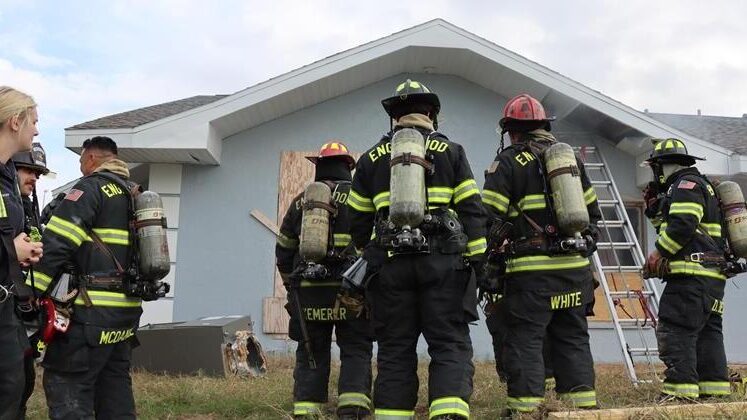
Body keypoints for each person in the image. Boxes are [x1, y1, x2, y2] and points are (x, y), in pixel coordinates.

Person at [347, 79, 486, 419]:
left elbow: (357, 222)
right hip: (444, 265)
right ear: (431, 114)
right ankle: (449, 413)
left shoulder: (370, 158)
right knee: (449, 343)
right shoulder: (452, 151)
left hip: (390, 267)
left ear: (394, 117)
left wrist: (375, 254)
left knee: (395, 347)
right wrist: (478, 264)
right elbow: (472, 211)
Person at [482, 94, 600, 414]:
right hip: (575, 270)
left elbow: (488, 217)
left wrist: (487, 258)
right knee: (573, 338)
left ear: (511, 131)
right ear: (544, 126)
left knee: (525, 339)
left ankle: (527, 411)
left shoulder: (507, 162)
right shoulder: (570, 160)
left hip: (531, 274)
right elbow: (593, 216)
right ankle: (581, 409)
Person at [30, 136, 142, 419]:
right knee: (114, 394)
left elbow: (57, 245)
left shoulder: (90, 188)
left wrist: (29, 295)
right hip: (125, 318)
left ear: (91, 158)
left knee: (67, 386)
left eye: (81, 160)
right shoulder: (135, 193)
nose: (81, 166)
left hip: (89, 316)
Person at [276, 141, 373, 419]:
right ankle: (353, 407)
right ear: (348, 167)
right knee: (355, 347)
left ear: (319, 166)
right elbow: (372, 245)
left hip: (308, 292)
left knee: (311, 348)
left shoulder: (301, 201)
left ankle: (307, 409)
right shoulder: (359, 198)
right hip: (350, 291)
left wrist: (291, 287)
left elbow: (284, 250)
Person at [642, 138, 731, 400]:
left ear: (662, 167)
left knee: (676, 329)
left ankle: (680, 392)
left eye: (655, 168)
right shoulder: (703, 185)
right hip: (711, 277)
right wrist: (655, 211)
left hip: (690, 277)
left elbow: (682, 225)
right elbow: (674, 226)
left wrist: (659, 253)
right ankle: (713, 391)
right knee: (708, 333)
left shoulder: (685, 185)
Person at [0, 86, 44, 419]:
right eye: (34, 121)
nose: (37, 131)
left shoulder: (6, 179)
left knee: (15, 387)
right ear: (15, 121)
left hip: (6, 305)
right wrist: (11, 250)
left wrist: (20, 250)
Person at [12, 141, 50, 418]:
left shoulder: (28, 208)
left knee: (23, 383)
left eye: (37, 173)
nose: (34, 178)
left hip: (23, 313)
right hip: (7, 308)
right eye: (28, 170)